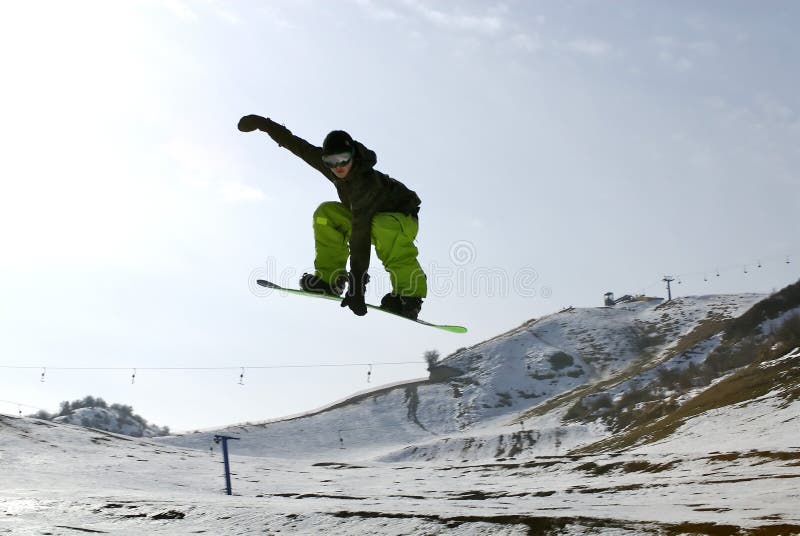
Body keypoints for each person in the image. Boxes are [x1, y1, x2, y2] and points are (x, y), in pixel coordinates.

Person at [238, 114, 428, 319]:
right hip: (368, 222)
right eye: (331, 161)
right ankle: (330, 280)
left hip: (402, 219)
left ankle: (410, 295)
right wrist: (264, 124)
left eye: (343, 159)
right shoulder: (333, 168)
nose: (338, 167)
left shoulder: (366, 183)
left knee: (382, 225)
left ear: (353, 156)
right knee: (326, 214)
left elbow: (360, 238)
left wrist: (357, 288)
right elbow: (297, 145)